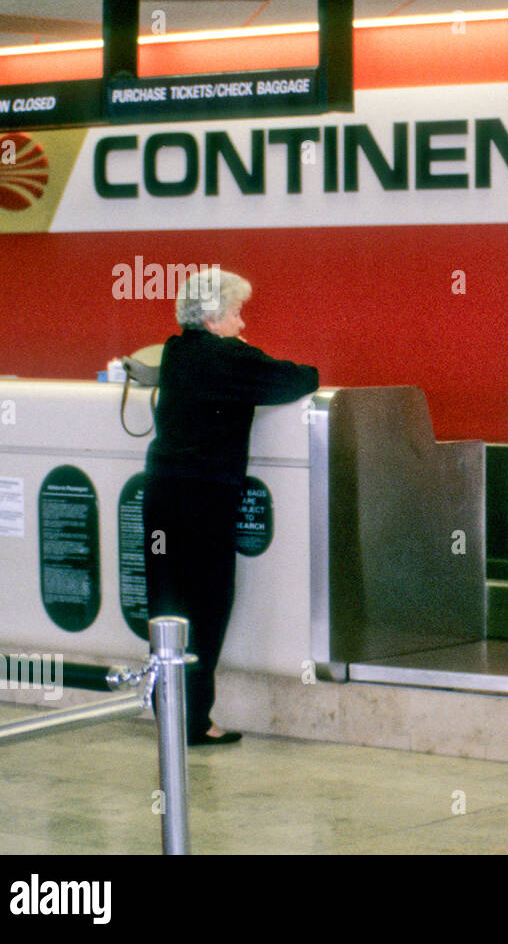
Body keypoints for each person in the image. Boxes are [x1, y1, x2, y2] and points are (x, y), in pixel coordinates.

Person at [143, 268, 319, 746]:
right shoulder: (229, 358)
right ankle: (196, 721)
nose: (242, 324)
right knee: (208, 604)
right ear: (215, 316)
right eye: (238, 313)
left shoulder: (175, 352)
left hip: (161, 493)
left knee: (167, 604)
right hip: (205, 499)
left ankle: (171, 714)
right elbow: (297, 378)